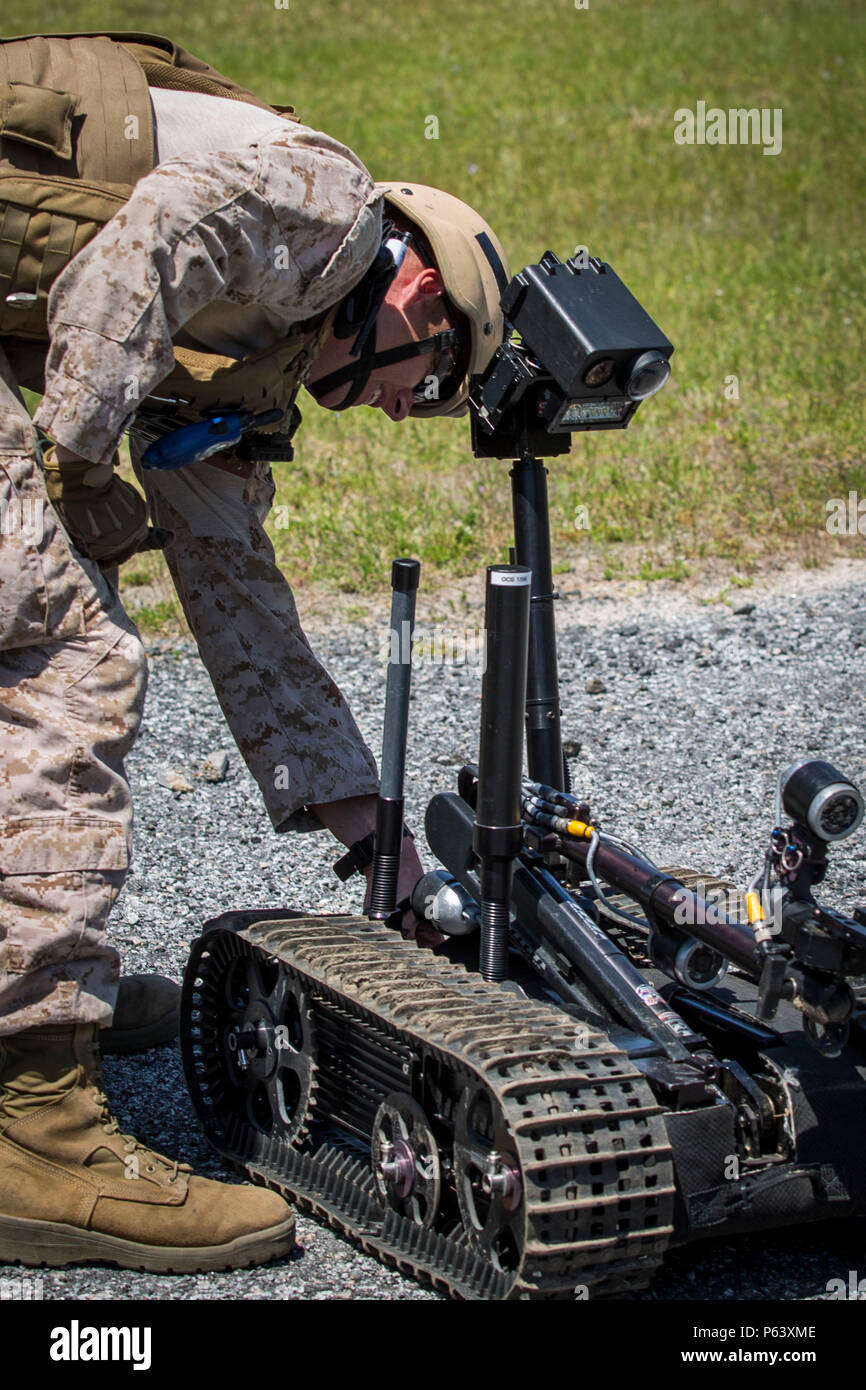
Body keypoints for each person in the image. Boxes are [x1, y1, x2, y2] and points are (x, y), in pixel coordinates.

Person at [0, 31, 509, 1271]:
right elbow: (154, 231)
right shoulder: (328, 205)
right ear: (416, 293)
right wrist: (73, 459)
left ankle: (25, 1013)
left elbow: (238, 599)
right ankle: (36, 1126)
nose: (406, 408)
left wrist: (368, 836)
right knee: (66, 646)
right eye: (431, 378)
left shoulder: (249, 352)